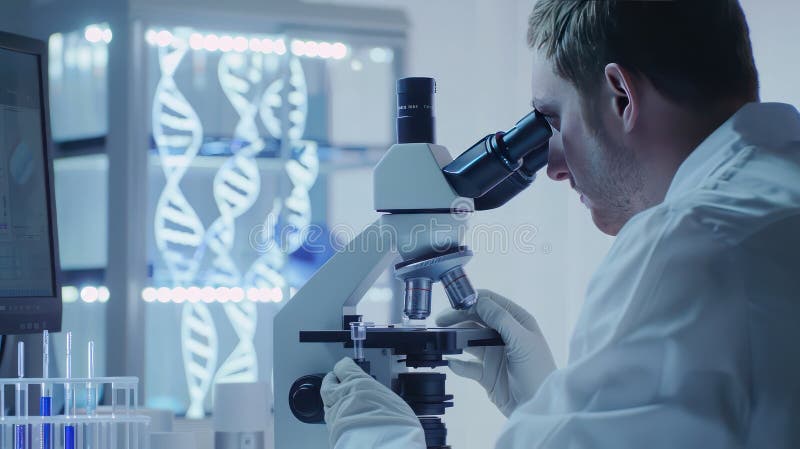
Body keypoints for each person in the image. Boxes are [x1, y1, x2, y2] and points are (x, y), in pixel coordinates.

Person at [320, 0, 800, 447]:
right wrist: (549, 406)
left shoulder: (689, 243)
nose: (551, 166)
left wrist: (378, 439)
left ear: (621, 97)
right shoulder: (774, 196)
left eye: (551, 119)